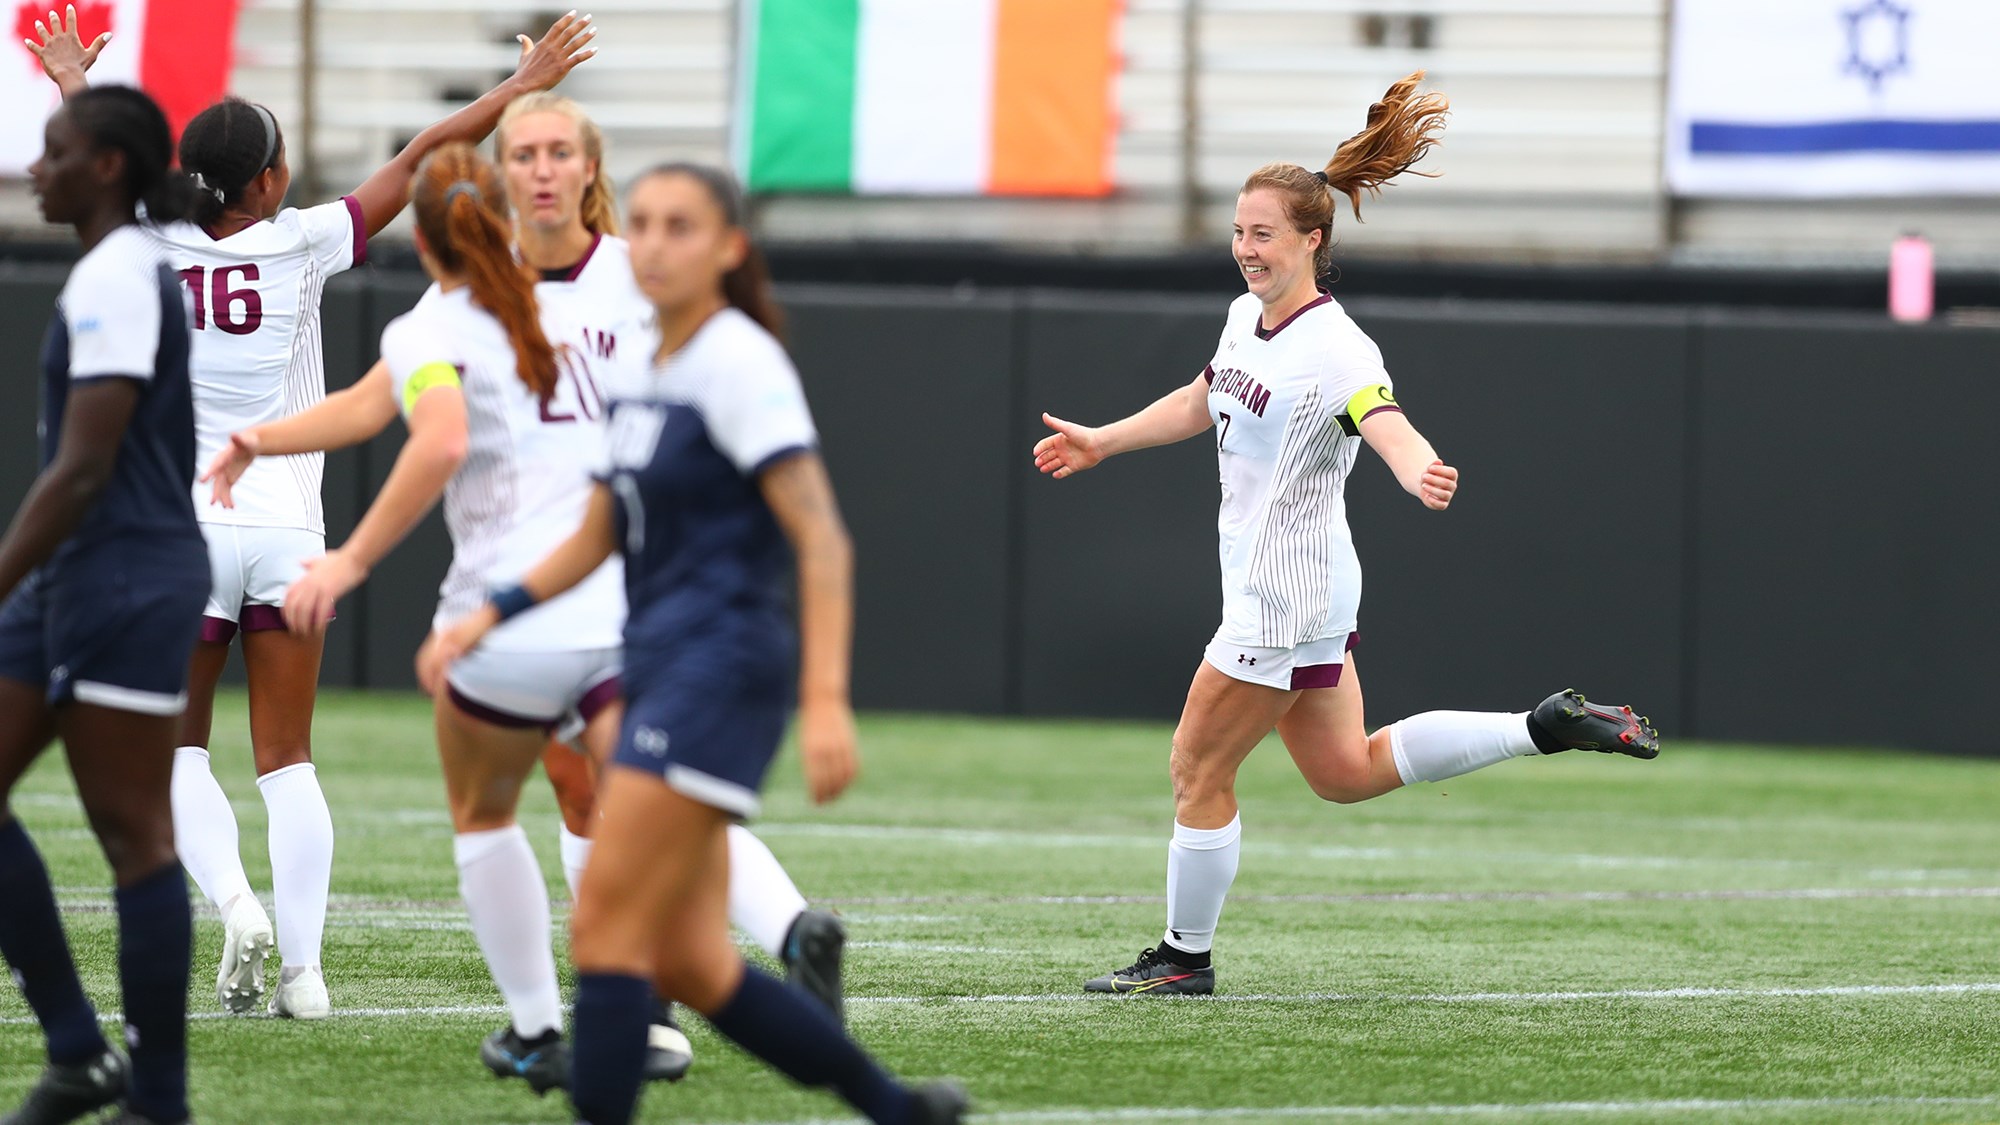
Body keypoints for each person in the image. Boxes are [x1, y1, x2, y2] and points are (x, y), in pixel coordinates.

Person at [1030, 72, 1663, 996]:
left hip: (1282, 598)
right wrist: (1106, 440)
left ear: (1311, 241)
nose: (1246, 249)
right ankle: (1543, 725)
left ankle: (1183, 958)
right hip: (1308, 589)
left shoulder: (1339, 348)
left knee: (1195, 765)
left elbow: (1382, 414)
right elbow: (1208, 393)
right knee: (1344, 772)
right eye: (1240, 231)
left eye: (1265, 235)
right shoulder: (1248, 316)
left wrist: (1417, 466)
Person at [29, 4, 597, 1021]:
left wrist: (70, 83)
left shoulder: (149, 243)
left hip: (181, 528)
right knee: (288, 757)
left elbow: (105, 170)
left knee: (180, 753)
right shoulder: (300, 242)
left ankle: (234, 904)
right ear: (268, 183)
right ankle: (304, 973)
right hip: (286, 524)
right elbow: (424, 153)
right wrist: (517, 89)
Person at [419, 163, 966, 1125]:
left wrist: (829, 698)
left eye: (682, 225)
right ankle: (893, 1106)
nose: (658, 242)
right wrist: (490, 611)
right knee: (692, 960)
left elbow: (821, 535)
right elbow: (598, 527)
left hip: (722, 670)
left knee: (606, 925)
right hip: (660, 662)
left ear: (728, 249)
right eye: (646, 223)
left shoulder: (737, 359)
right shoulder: (640, 361)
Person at [200, 142, 621, 1093]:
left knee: (487, 813)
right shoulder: (620, 282)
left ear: (423, 240)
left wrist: (348, 554)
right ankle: (703, 975)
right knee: (636, 800)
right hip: (618, 585)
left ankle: (544, 1023)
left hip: (503, 607)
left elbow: (417, 434)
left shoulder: (442, 319)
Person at [0, 85, 207, 1125]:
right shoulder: (115, 268)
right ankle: (80, 1054)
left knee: (134, 837)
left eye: (54, 151)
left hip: (127, 572)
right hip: (77, 575)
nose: (35, 169)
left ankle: (157, 1103)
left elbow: (84, 470)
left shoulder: (116, 277)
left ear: (108, 168)